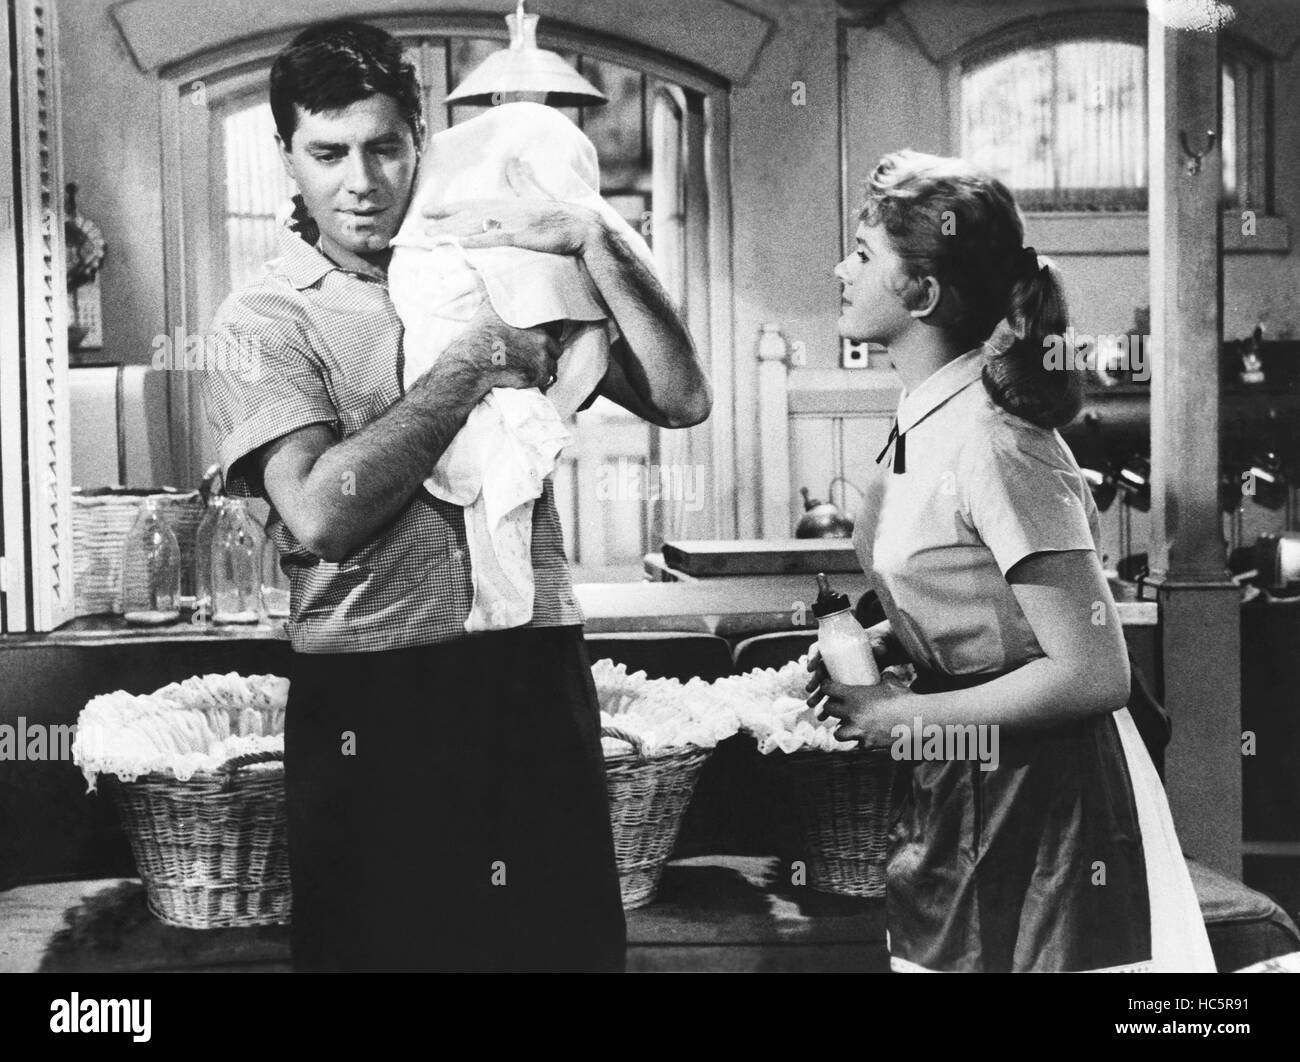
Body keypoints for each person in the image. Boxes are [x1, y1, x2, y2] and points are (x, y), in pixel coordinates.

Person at [201, 20, 710, 972]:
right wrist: (477, 358)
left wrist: (594, 239)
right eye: (329, 153)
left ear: (420, 143)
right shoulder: (267, 315)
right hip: (374, 701)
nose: (362, 180)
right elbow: (321, 514)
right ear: (287, 159)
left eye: (385, 147)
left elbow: (682, 397)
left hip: (531, 671)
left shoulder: (494, 261)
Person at [806, 150, 1214, 973]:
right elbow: (974, 596)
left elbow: (1095, 672)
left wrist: (898, 719)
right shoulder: (925, 416)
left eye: (862, 254)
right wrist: (897, 645)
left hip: (1048, 799)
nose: (839, 270)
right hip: (961, 776)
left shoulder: (1000, 442)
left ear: (921, 295)